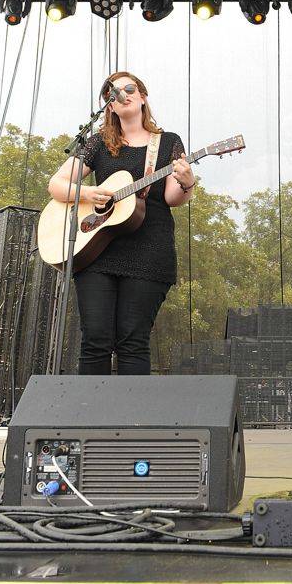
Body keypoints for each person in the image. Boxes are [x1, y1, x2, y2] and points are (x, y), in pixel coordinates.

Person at [47, 71, 195, 375]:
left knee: (132, 339)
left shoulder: (167, 142)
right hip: (96, 252)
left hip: (149, 251)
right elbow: (57, 184)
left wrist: (187, 183)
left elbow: (171, 198)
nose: (123, 94)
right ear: (109, 107)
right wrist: (89, 191)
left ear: (142, 96)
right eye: (113, 93)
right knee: (96, 340)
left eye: (130, 89)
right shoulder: (98, 143)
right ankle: (90, 418)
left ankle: (132, 421)